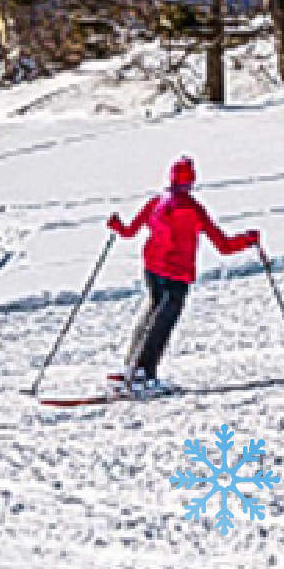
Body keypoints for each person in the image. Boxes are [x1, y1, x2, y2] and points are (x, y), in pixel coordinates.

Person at [105, 156, 258, 398]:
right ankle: (144, 374)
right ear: (191, 180)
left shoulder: (156, 202)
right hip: (177, 274)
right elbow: (224, 246)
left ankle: (131, 368)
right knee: (163, 323)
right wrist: (248, 240)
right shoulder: (193, 209)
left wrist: (116, 226)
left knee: (152, 313)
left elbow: (129, 231)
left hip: (153, 269)